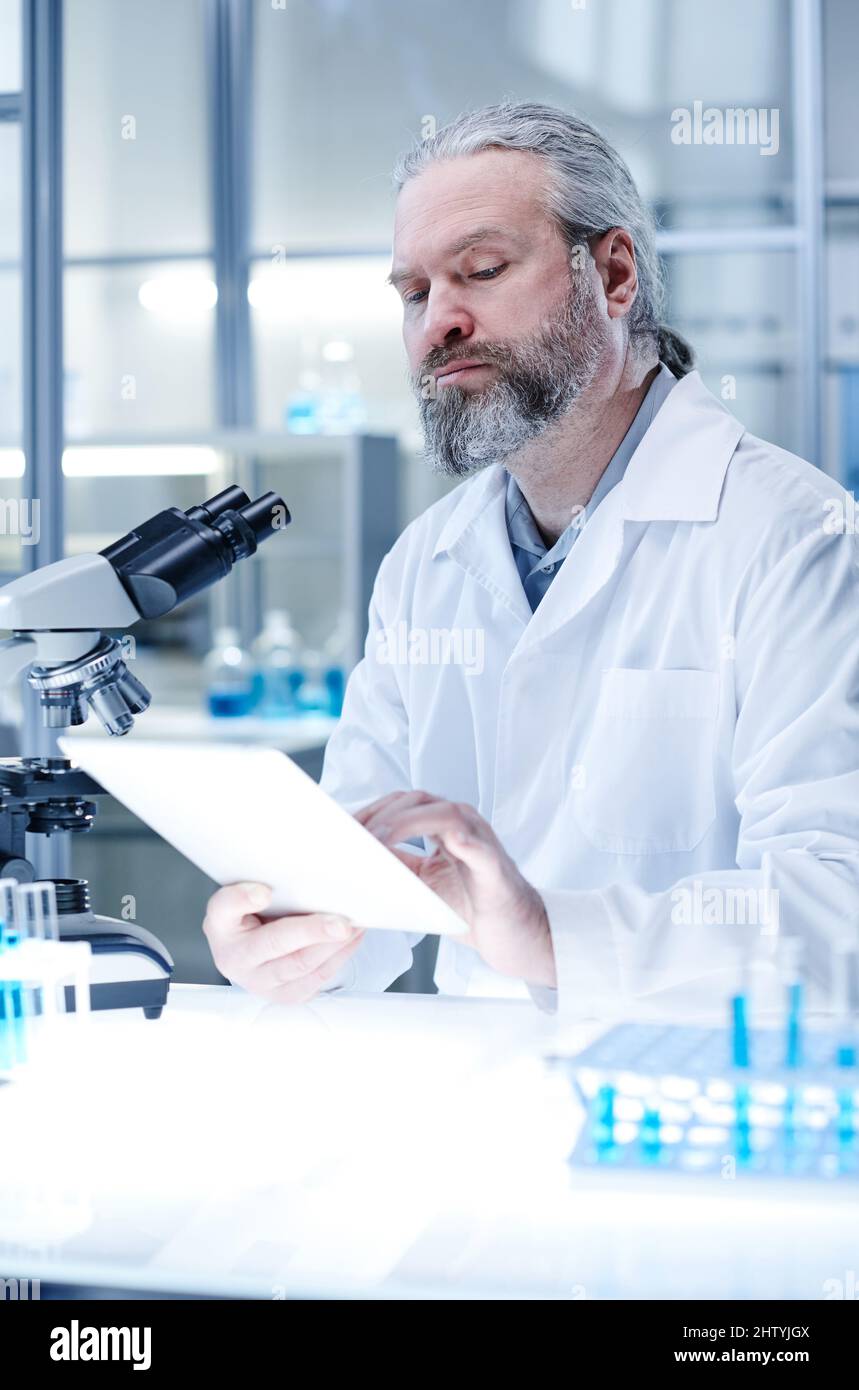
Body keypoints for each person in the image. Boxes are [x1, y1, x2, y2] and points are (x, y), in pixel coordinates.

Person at [203, 102, 859, 1019]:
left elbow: (836, 908)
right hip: (476, 1087)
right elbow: (367, 870)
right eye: (413, 293)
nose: (441, 322)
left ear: (614, 274)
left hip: (700, 1105)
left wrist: (550, 935)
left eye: (481, 270)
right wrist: (296, 935)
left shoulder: (796, 538)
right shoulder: (426, 562)